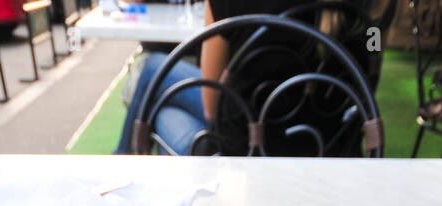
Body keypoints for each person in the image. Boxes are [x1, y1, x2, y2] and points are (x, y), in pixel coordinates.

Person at [116, 0, 311, 154]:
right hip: (319, 140)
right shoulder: (334, 10)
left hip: (245, 144)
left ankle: (122, 159)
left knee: (154, 74)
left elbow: (210, 105)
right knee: (165, 108)